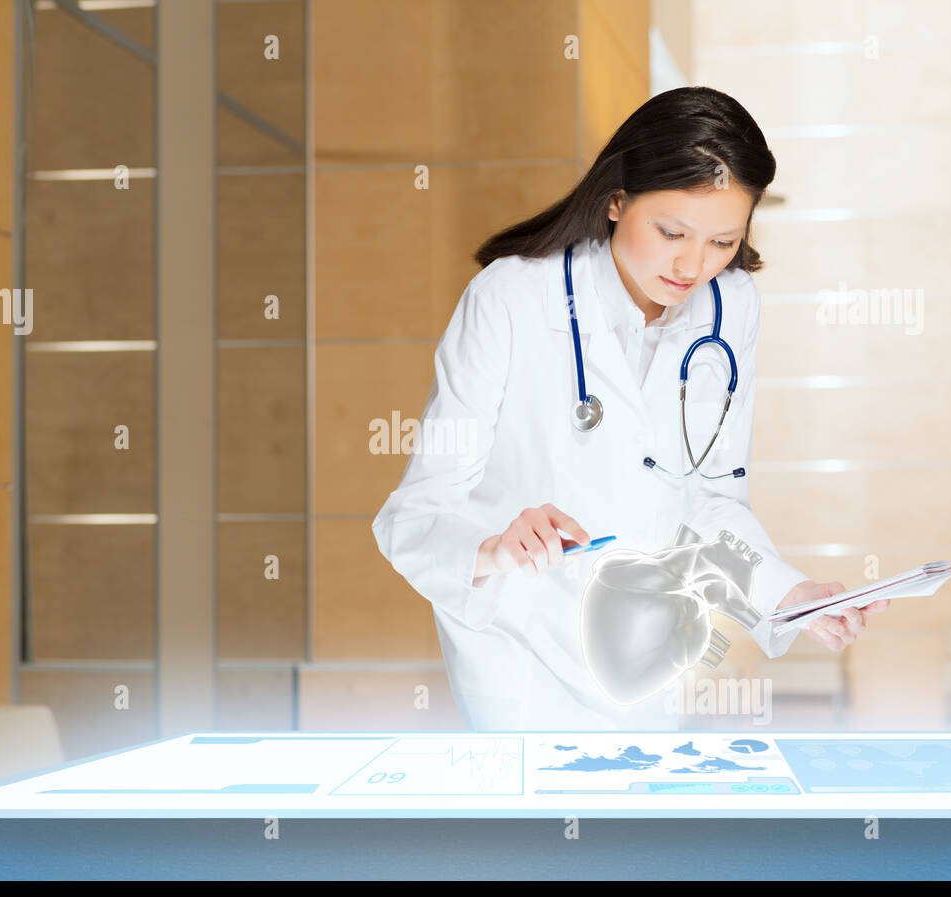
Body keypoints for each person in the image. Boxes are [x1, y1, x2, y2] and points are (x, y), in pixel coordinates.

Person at [371, 86, 889, 731]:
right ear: (616, 201)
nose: (693, 265)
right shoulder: (511, 297)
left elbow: (708, 497)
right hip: (521, 656)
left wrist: (789, 595)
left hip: (650, 651)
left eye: (723, 242)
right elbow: (415, 515)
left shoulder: (732, 306)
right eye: (671, 232)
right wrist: (495, 548)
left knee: (643, 816)